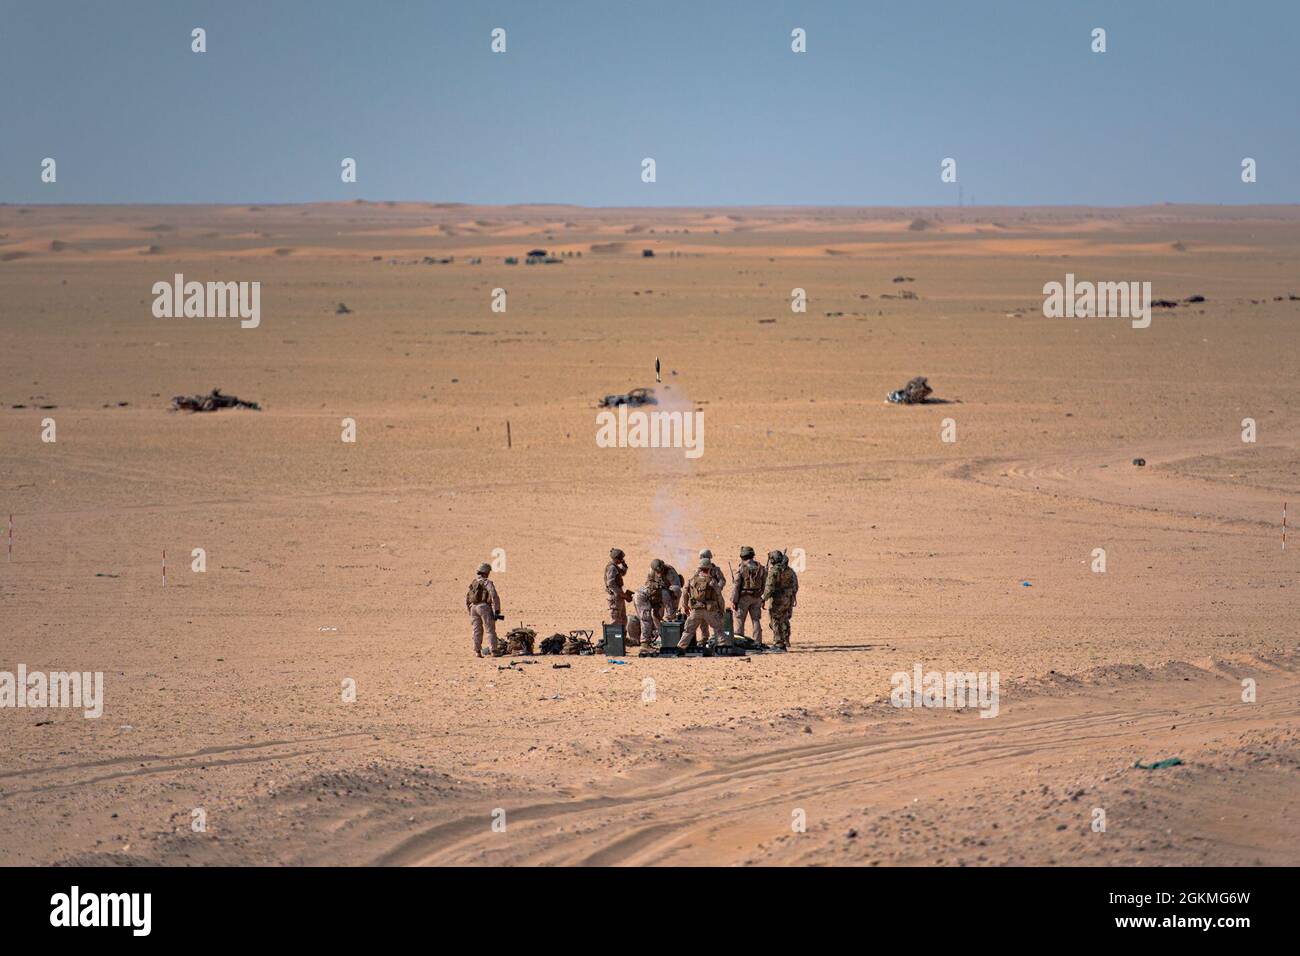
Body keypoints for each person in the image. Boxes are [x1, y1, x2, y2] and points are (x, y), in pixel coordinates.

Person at [681, 559, 725, 650]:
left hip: (695, 610)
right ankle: (723, 648)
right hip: (710, 611)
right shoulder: (712, 581)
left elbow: (685, 593)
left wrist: (685, 606)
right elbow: (719, 596)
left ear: (700, 568)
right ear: (709, 569)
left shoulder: (692, 580)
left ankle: (681, 648)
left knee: (688, 631)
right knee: (718, 629)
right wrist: (721, 609)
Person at [762, 550, 799, 650]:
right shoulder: (789, 570)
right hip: (788, 599)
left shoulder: (774, 571)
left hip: (778, 599)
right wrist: (791, 595)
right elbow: (795, 585)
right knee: (785, 618)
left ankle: (778, 643)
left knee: (775, 619)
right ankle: (786, 640)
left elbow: (769, 587)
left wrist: (763, 599)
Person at [731, 545, 767, 643]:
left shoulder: (741, 568)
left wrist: (734, 600)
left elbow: (736, 586)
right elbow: (764, 583)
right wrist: (760, 595)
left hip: (743, 598)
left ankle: (739, 641)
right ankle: (757, 641)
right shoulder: (760, 568)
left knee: (739, 620)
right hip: (756, 597)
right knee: (756, 620)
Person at [466, 563, 502, 657]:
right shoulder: (487, 582)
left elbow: (467, 598)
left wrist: (470, 610)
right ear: (486, 572)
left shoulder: (474, 582)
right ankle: (494, 650)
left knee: (476, 630)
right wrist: (497, 610)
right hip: (484, 607)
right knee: (490, 630)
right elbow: (493, 595)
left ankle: (477, 651)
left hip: (473, 608)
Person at [605, 548, 631, 626]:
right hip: (615, 596)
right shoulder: (612, 568)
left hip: (619, 596)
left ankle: (623, 637)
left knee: (623, 618)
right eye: (620, 558)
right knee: (616, 620)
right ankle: (615, 638)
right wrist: (621, 594)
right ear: (616, 558)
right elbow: (611, 583)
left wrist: (624, 565)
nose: (622, 559)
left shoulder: (615, 566)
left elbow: (622, 573)